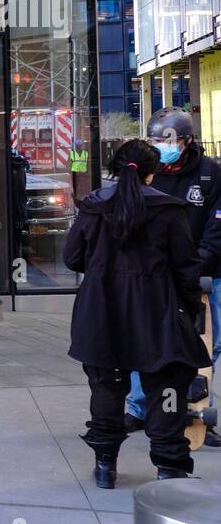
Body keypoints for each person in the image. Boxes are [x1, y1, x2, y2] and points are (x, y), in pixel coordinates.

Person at [64, 138, 211, 487]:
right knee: (169, 389)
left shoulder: (93, 208)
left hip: (100, 313)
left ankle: (105, 464)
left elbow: (72, 258)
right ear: (152, 172)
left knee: (106, 388)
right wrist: (189, 312)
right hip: (156, 314)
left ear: (114, 169)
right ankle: (169, 464)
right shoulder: (168, 209)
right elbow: (186, 268)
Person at [125, 107, 221, 447]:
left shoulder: (211, 174)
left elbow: (217, 225)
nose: (161, 146)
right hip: (158, 275)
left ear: (187, 140)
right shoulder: (147, 174)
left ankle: (199, 410)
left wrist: (197, 265)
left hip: (207, 275)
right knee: (147, 339)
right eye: (154, 140)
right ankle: (138, 408)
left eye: (168, 140)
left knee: (210, 343)